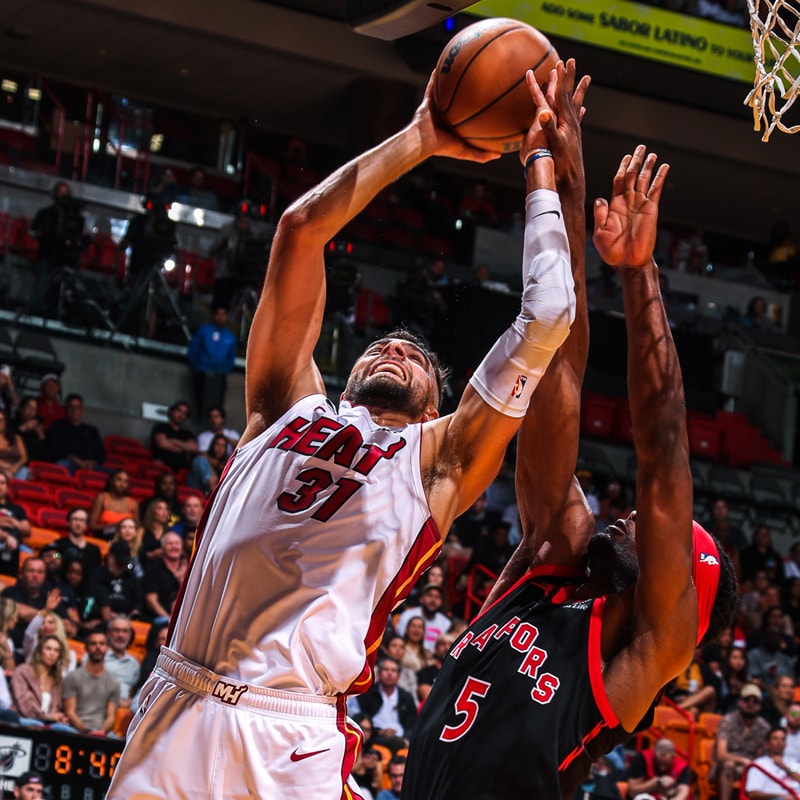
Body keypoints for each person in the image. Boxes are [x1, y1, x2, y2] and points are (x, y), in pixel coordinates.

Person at [107, 59, 578, 800]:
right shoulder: (283, 408)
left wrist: (540, 168)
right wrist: (421, 137)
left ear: (434, 407)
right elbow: (300, 230)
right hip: (179, 703)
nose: (394, 348)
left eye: (415, 358)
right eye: (382, 344)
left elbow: (549, 314)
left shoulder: (437, 459)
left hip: (289, 733)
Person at [402, 100, 736, 800]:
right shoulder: (551, 557)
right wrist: (567, 184)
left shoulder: (645, 650)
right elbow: (556, 366)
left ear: (680, 587)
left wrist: (640, 273)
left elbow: (663, 447)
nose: (630, 515)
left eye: (659, 533)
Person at [716, 684, 772, 800]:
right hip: (723, 766)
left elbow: (767, 756)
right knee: (729, 765)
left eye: (755, 701)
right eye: (747, 700)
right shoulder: (728, 721)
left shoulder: (764, 727)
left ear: (760, 705)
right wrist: (742, 760)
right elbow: (721, 755)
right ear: (739, 702)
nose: (751, 704)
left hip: (750, 768)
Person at [61, 629, 120, 736]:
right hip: (75, 730)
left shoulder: (113, 683)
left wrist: (101, 731)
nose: (98, 647)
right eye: (93, 644)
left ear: (107, 648)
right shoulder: (72, 678)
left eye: (102, 644)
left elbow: (111, 716)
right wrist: (86, 731)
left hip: (101, 732)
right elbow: (70, 712)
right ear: (86, 648)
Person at [10, 634, 74, 729]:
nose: (52, 653)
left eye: (56, 650)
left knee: (67, 730)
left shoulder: (58, 680)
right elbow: (23, 703)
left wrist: (61, 717)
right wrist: (46, 717)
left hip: (48, 724)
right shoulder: (23, 672)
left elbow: (59, 708)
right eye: (48, 649)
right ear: (40, 651)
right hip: (23, 719)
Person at [355, 658, 418, 752]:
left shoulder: (406, 697)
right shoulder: (368, 694)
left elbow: (412, 724)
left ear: (398, 676)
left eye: (393, 670)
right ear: (379, 673)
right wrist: (379, 731)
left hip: (402, 737)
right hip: (375, 736)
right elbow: (361, 718)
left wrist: (406, 738)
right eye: (386, 669)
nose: (389, 673)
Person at [187, 306, 238, 421]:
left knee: (218, 402)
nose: (220, 317)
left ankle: (215, 424)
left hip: (220, 373)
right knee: (199, 400)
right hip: (201, 371)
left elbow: (231, 356)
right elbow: (194, 349)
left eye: (223, 314)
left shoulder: (230, 336)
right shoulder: (203, 331)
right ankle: (198, 421)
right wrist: (196, 366)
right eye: (218, 314)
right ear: (213, 316)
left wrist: (225, 369)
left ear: (227, 317)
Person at [142, 531, 187, 624]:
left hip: (185, 619)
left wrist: (181, 580)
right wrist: (169, 619)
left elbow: (194, 597)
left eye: (177, 543)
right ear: (162, 548)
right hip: (161, 620)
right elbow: (151, 601)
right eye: (170, 544)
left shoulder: (188, 568)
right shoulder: (153, 569)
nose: (174, 547)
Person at [744, 726, 800, 799]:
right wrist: (780, 796)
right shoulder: (758, 765)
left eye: (783, 739)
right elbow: (752, 794)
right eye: (775, 739)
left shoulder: (793, 763)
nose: (779, 742)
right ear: (767, 744)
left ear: (786, 744)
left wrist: (784, 767)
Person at [627, 738, 691, 800]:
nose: (662, 768)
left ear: (673, 757)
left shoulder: (682, 767)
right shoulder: (643, 758)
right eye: (659, 763)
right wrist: (657, 782)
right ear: (654, 754)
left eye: (665, 764)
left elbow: (683, 792)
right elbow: (632, 791)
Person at [395, 583, 451, 649]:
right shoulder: (407, 615)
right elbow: (401, 641)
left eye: (437, 597)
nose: (433, 600)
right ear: (421, 599)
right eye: (430, 595)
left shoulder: (446, 623)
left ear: (441, 602)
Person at [87, 470, 140, 539]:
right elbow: (91, 525)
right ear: (111, 481)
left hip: (125, 540)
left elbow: (137, 527)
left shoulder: (133, 503)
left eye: (126, 481)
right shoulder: (101, 498)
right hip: (102, 537)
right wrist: (114, 527)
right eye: (119, 480)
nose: (122, 484)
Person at [149, 401, 198, 473]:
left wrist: (174, 441)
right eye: (179, 411)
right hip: (162, 465)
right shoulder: (161, 427)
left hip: (182, 468)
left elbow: (194, 448)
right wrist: (184, 447)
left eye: (184, 413)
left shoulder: (188, 433)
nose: (181, 415)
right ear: (172, 412)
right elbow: (163, 444)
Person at [53, 506, 103, 575]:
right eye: (75, 519)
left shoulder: (94, 551)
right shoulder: (58, 545)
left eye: (82, 520)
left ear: (86, 525)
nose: (78, 523)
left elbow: (96, 574)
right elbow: (55, 559)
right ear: (68, 523)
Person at [104, 614, 140, 709]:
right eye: (116, 630)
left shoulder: (134, 663)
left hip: (124, 710)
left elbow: (132, 691)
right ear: (108, 633)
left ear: (130, 635)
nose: (120, 635)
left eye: (125, 631)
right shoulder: (97, 656)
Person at [0, 470, 31, 577]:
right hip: (6, 540)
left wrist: (13, 522)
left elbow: (27, 530)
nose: (0, 486)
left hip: (16, 544)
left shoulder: (17, 509)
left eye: (2, 483)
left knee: (32, 558)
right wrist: (6, 536)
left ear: (7, 488)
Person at [0, 409, 28, 479]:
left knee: (25, 471)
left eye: (1, 420)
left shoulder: (16, 438)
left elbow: (24, 457)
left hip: (16, 469)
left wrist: (15, 467)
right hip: (2, 468)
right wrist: (8, 467)